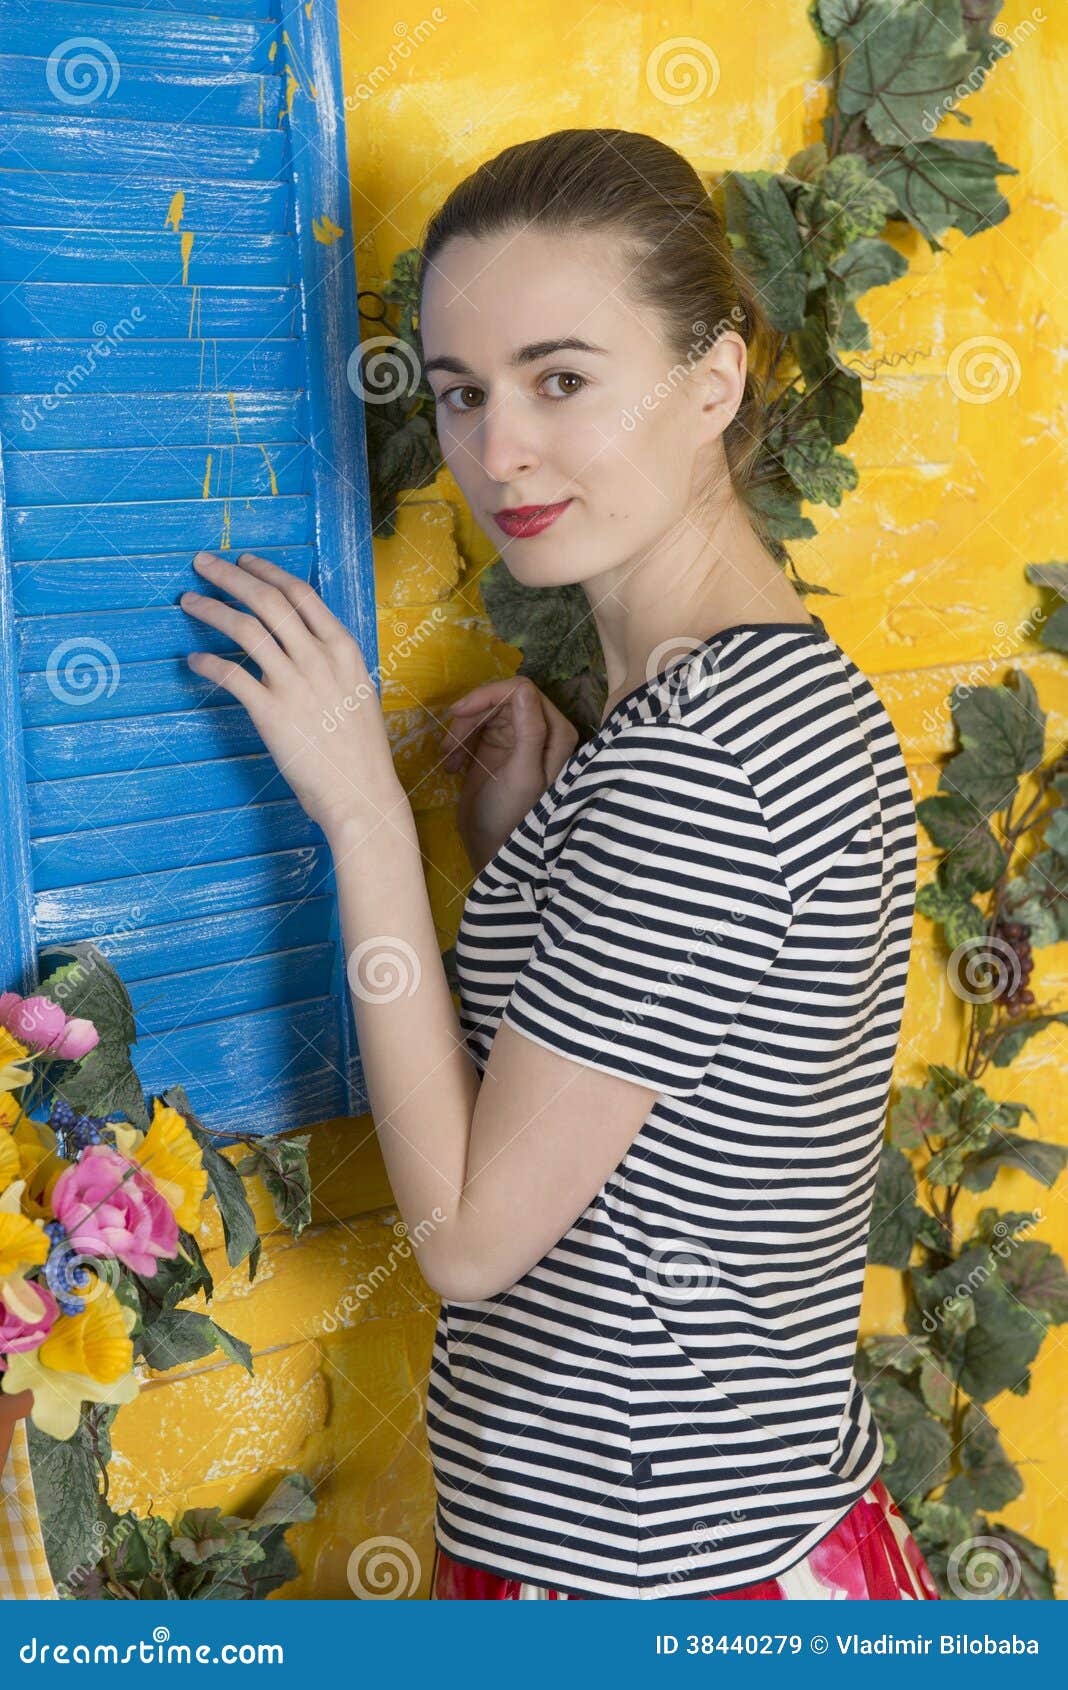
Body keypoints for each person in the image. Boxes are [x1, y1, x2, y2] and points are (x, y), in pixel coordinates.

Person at [179, 125, 939, 1602]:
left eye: (562, 378)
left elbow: (467, 1240)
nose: (495, 450)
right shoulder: (775, 694)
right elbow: (695, 1080)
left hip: (652, 1578)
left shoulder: (690, 766)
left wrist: (362, 816)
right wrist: (544, 835)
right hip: (753, 1526)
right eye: (461, 392)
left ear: (712, 379)